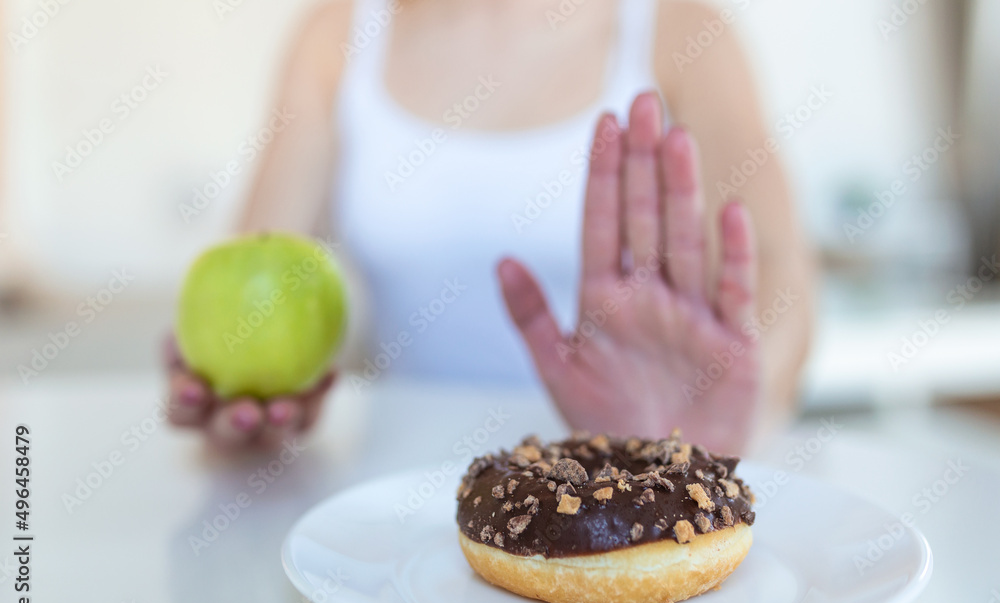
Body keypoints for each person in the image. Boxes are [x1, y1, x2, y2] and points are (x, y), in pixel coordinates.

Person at [167, 0, 813, 454]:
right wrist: (236, 389)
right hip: (400, 516)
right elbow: (255, 263)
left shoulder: (682, 31)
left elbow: (782, 272)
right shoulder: (335, 37)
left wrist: (725, 407)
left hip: (623, 495)